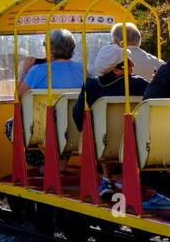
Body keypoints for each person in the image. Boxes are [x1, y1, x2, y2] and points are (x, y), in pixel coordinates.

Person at [72, 43, 170, 209]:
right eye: (128, 63)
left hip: (104, 146)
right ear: (117, 68)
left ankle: (107, 180)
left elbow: (77, 115)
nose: (132, 66)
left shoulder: (90, 86)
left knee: (103, 132)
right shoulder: (139, 85)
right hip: (140, 144)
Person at [18, 29, 84, 95]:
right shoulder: (82, 70)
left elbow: (19, 97)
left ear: (50, 48)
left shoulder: (37, 71)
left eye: (45, 45)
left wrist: (25, 71)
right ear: (72, 48)